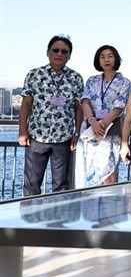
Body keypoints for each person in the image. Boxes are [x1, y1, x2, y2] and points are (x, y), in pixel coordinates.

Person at [18, 35, 84, 196]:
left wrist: (77, 133)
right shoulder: (35, 74)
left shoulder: (76, 78)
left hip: (63, 139)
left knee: (61, 185)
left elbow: (79, 108)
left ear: (69, 56)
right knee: (32, 183)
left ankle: (58, 212)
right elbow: (26, 104)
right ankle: (30, 211)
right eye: (55, 50)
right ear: (48, 53)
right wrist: (22, 131)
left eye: (64, 51)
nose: (59, 54)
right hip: (37, 137)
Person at [74, 45, 131, 188]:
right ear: (98, 60)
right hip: (91, 131)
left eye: (110, 56)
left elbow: (119, 107)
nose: (106, 60)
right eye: (102, 57)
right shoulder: (91, 81)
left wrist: (103, 124)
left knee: (109, 172)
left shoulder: (124, 82)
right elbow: (85, 102)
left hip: (111, 131)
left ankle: (109, 201)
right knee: (89, 171)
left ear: (116, 59)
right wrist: (93, 122)